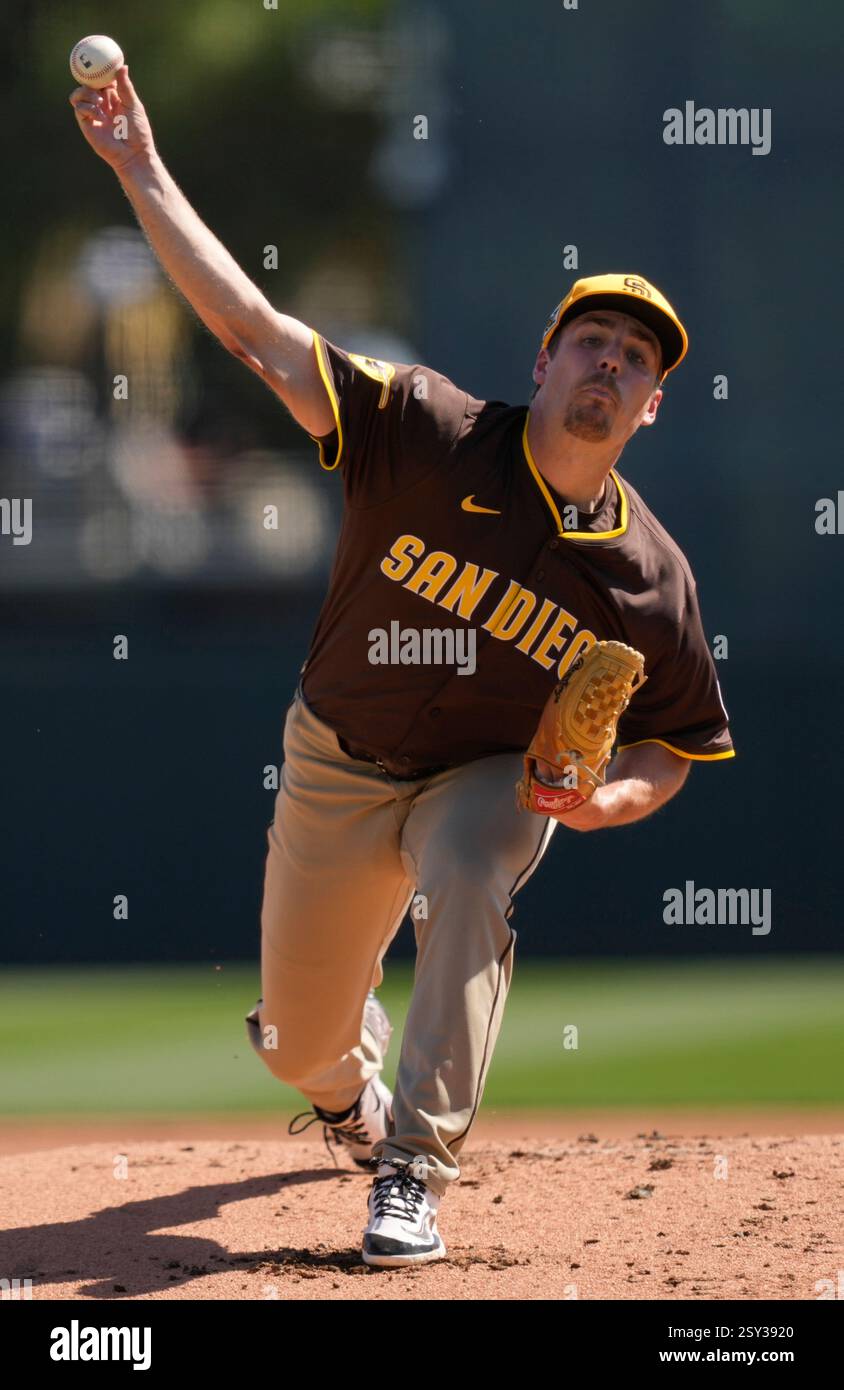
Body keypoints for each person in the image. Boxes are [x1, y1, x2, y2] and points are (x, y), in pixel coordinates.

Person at [70, 67, 735, 1269]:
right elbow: (252, 332)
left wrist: (601, 800)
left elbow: (672, 748)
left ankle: (412, 1171)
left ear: (649, 406)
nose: (609, 362)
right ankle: (344, 1090)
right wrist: (138, 169)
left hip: (484, 773)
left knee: (476, 869)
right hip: (337, 756)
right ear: (544, 361)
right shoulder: (421, 429)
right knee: (295, 1041)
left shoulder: (650, 578)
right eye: (591, 338)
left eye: (635, 359)